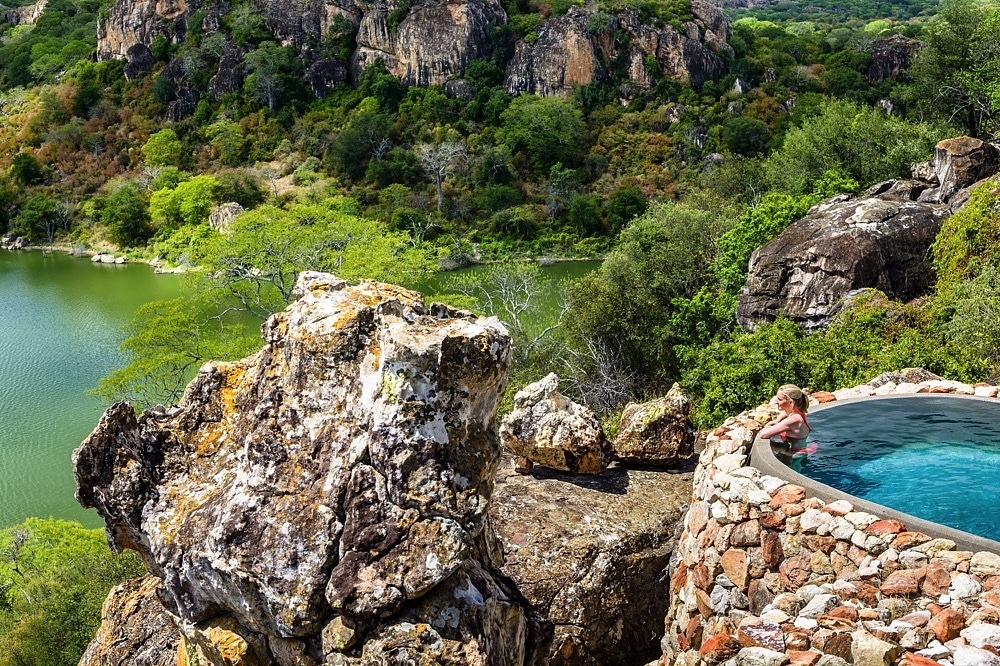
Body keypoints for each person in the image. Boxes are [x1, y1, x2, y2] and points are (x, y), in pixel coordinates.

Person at [760, 384, 814, 452]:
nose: (776, 402)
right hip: (799, 448)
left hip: (796, 457)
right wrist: (777, 420)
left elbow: (763, 434)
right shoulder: (798, 411)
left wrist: (767, 427)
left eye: (779, 399)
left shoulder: (794, 420)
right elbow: (786, 412)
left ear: (790, 402)